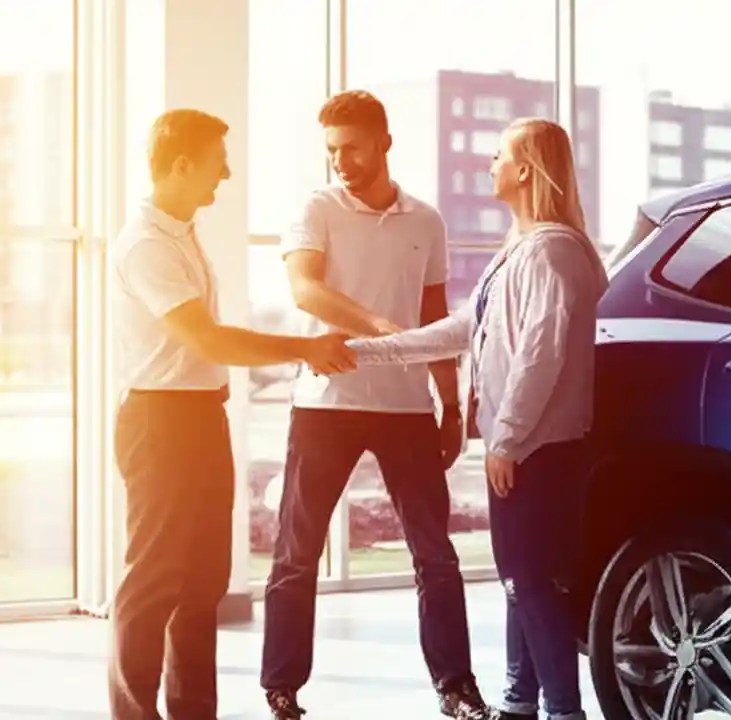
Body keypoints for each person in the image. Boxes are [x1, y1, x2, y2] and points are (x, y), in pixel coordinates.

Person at [349, 117, 609, 720]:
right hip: (528, 446)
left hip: (540, 450)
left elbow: (540, 355)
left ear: (526, 171)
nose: (490, 165)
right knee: (523, 580)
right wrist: (365, 351)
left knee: (529, 582)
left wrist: (507, 439)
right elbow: (462, 330)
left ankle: (563, 711)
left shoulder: (552, 252)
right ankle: (519, 701)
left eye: (498, 156)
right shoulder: (519, 251)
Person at [109, 108, 355, 720]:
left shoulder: (181, 232)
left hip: (199, 418)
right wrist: (305, 349)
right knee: (154, 578)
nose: (226, 173)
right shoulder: (145, 244)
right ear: (182, 164)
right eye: (217, 162)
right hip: (160, 422)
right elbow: (210, 340)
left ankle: (194, 712)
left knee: (202, 580)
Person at [260, 90, 490, 720]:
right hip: (325, 403)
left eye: (352, 147)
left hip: (406, 408)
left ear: (385, 141)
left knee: (435, 555)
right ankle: (281, 688)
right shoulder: (316, 209)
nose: (341, 161)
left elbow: (435, 317)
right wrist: (377, 326)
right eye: (332, 150)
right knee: (297, 552)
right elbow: (305, 290)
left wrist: (450, 402)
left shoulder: (426, 222)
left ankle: (456, 688)